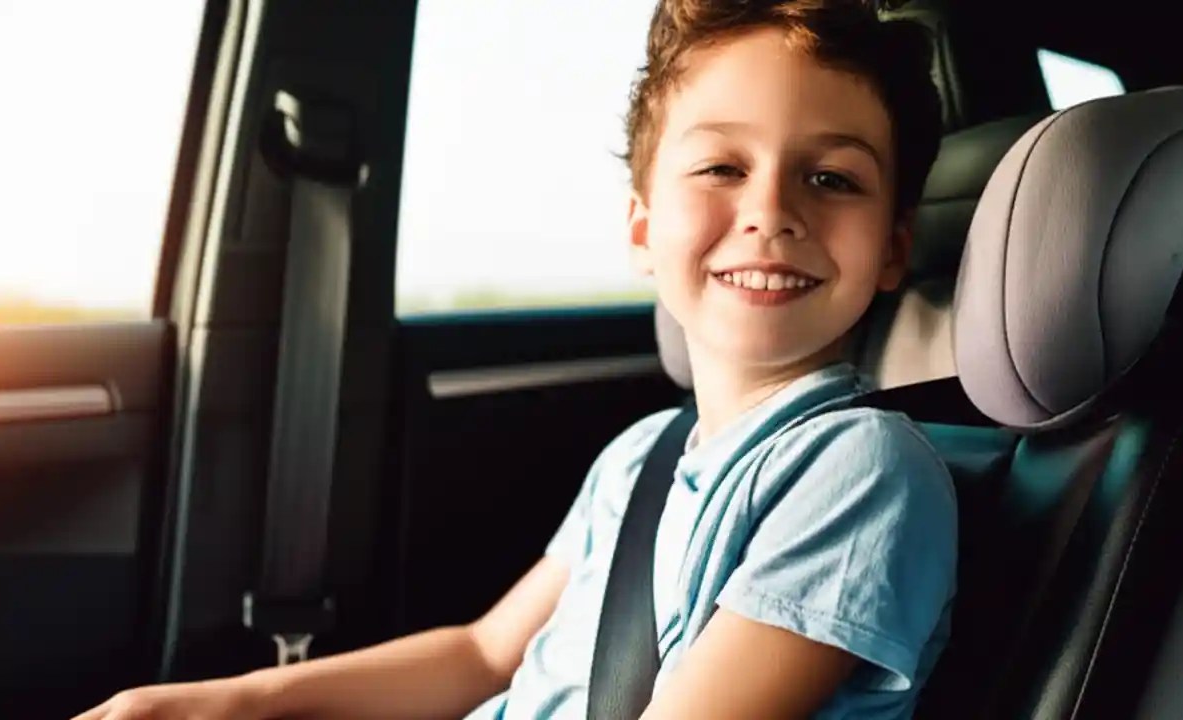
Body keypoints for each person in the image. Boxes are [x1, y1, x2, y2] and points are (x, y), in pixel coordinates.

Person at [76, 0, 955, 717]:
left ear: (890, 249)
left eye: (832, 178)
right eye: (722, 167)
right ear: (643, 230)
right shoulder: (643, 456)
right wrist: (229, 703)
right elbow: (483, 653)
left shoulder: (862, 471)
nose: (772, 209)